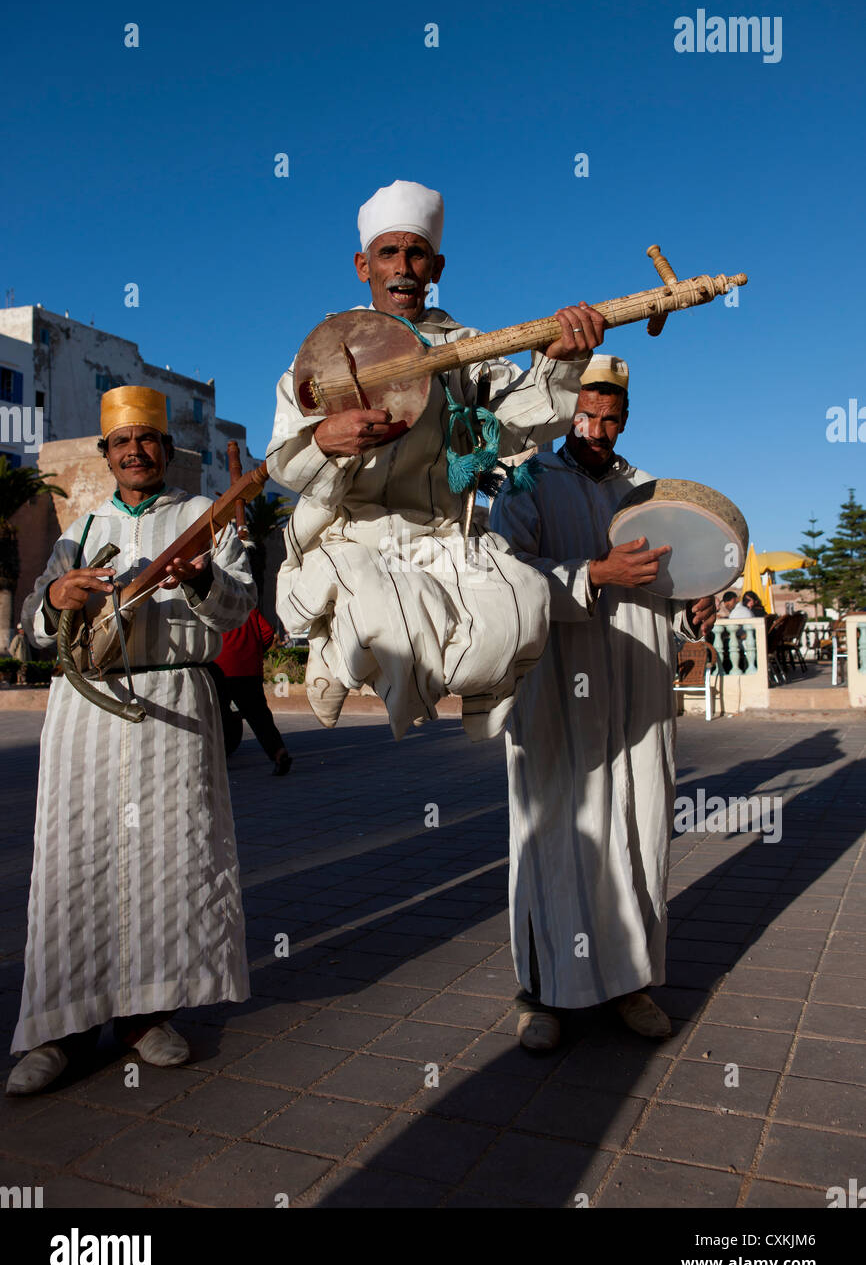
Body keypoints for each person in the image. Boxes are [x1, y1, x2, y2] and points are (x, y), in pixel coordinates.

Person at [267, 179, 606, 741]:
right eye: (388, 252)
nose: (403, 266)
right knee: (397, 625)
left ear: (436, 265)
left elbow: (525, 421)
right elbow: (284, 459)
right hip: (358, 537)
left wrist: (563, 365)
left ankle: (481, 686)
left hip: (448, 537)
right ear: (362, 265)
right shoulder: (326, 350)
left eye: (416, 253)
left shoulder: (465, 348)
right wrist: (328, 440)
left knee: (526, 603)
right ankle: (332, 655)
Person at [6, 386, 256, 1096]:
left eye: (148, 440)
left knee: (170, 861)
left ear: (166, 452)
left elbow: (242, 603)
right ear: (108, 455)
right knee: (74, 863)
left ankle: (147, 1015)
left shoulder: (207, 520)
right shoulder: (77, 533)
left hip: (175, 698)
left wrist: (205, 576)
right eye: (123, 443)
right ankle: (59, 1029)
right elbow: (31, 630)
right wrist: (55, 601)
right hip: (85, 711)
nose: (136, 452)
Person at [490, 356, 716, 1050]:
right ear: (565, 411)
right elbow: (502, 576)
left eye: (609, 416)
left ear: (624, 418)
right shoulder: (525, 481)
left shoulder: (647, 493)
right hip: (555, 691)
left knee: (643, 826)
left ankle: (632, 981)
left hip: (638, 690)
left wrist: (694, 606)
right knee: (553, 832)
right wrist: (593, 573)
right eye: (584, 413)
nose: (596, 428)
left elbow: (673, 581)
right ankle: (540, 992)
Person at [211, 607, 292, 775]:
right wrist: (255, 651)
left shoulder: (213, 606)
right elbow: (268, 632)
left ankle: (219, 760)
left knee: (218, 716)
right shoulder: (247, 607)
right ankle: (278, 752)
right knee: (260, 716)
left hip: (220, 667)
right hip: (250, 669)